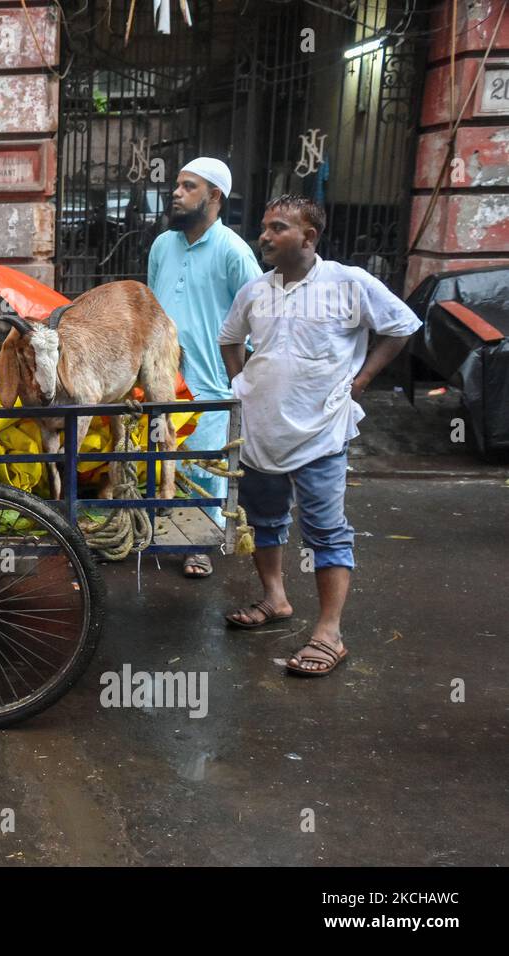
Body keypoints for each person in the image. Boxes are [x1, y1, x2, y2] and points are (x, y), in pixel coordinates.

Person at [218, 195, 419, 676]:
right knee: (264, 520)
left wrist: (362, 380)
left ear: (309, 237)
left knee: (326, 531)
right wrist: (241, 384)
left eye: (277, 228)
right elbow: (229, 338)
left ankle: (329, 633)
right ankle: (276, 599)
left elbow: (402, 327)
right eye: (264, 227)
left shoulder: (348, 283)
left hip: (322, 433)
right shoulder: (254, 291)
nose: (264, 236)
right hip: (261, 430)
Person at [147, 157, 262, 580]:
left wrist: (242, 377)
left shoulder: (235, 252)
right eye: (176, 185)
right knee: (159, 458)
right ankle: (154, 528)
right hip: (163, 376)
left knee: (204, 465)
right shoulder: (162, 245)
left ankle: (200, 544)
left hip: (211, 383)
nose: (176, 192)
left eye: (188, 186)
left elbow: (258, 321)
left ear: (214, 196)